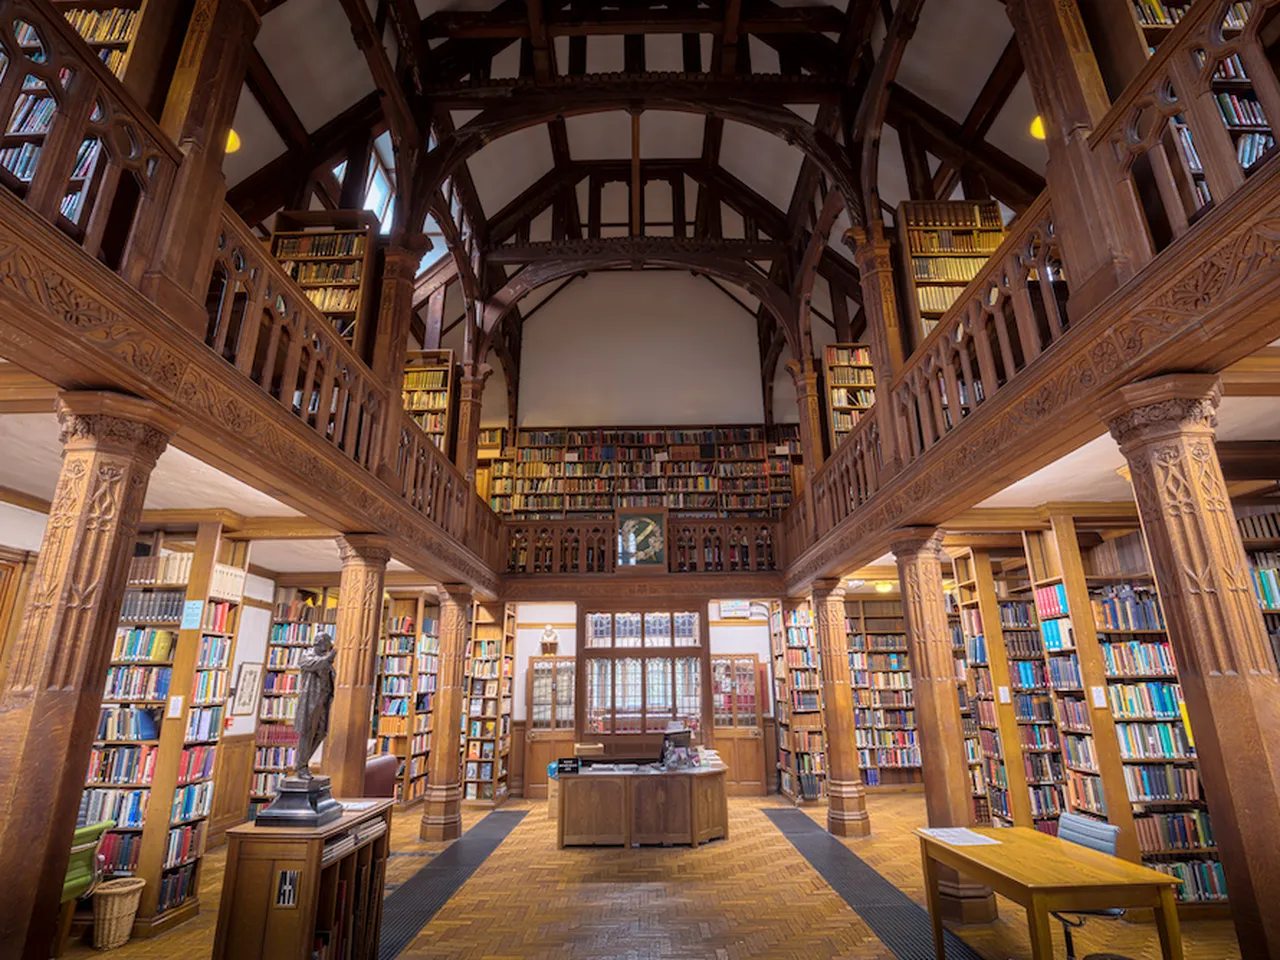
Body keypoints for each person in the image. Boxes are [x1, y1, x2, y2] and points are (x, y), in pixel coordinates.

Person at [293, 632, 336, 779]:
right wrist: (328, 658)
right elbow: (311, 664)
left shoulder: (324, 659)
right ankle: (301, 766)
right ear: (320, 642)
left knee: (321, 732)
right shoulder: (308, 655)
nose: (330, 645)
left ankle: (302, 763)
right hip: (311, 701)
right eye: (328, 642)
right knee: (307, 733)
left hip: (323, 701)